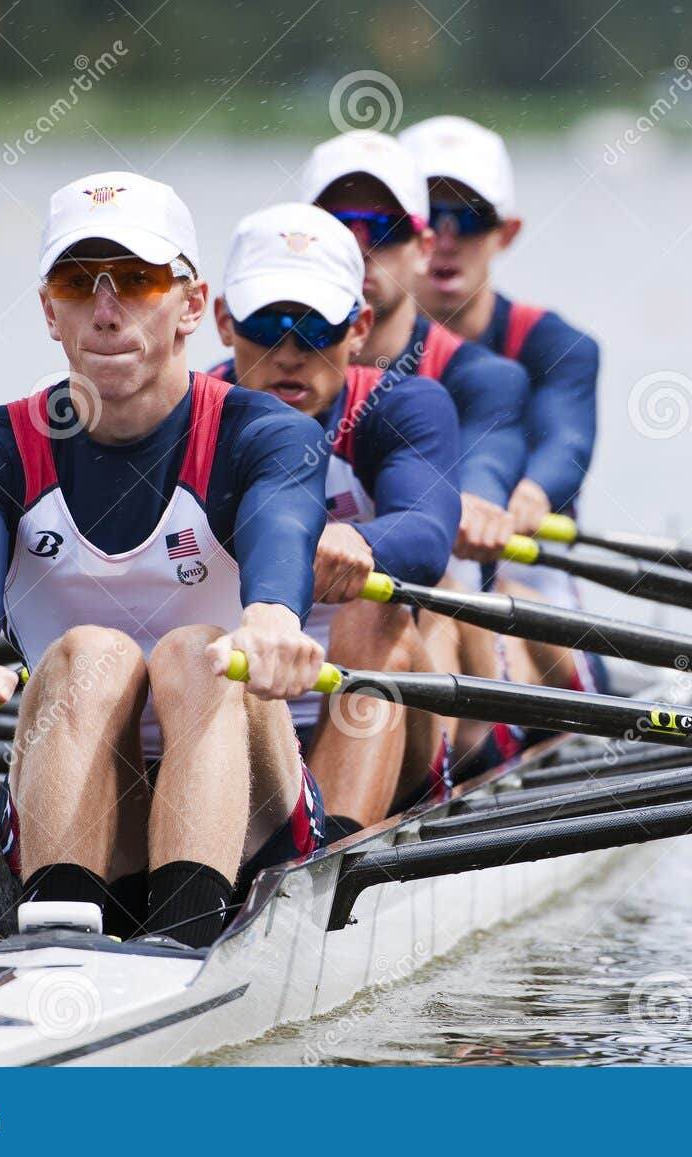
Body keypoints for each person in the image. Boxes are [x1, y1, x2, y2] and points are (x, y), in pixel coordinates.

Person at [0, 171, 330, 950]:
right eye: (78, 282)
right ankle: (61, 948)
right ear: (49, 310)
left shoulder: (269, 437)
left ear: (191, 305)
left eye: (137, 280)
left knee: (200, 652)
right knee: (88, 654)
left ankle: (184, 941)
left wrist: (271, 620)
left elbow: (282, 533)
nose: (106, 311)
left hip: (254, 815)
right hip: (87, 798)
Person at [207, 202, 462, 829]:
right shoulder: (184, 418)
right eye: (267, 325)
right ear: (221, 321)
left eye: (317, 328)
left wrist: (357, 539)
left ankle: (331, 854)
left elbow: (427, 536)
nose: (291, 354)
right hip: (234, 704)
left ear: (359, 327)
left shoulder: (402, 407)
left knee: (373, 614)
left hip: (383, 716)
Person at [298, 129, 531, 756]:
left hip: (444, 623)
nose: (358, 247)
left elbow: (491, 454)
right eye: (336, 226)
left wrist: (478, 500)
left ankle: (465, 754)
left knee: (447, 597)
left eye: (384, 229)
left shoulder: (478, 378)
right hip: (293, 647)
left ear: (420, 246)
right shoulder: (243, 382)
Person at [401, 115, 606, 698]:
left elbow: (565, 444)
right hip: (414, 593)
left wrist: (529, 497)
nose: (446, 237)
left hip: (535, 600)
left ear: (506, 232)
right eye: (427, 218)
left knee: (467, 598)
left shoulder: (555, 346)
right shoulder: (348, 350)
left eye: (469, 217)